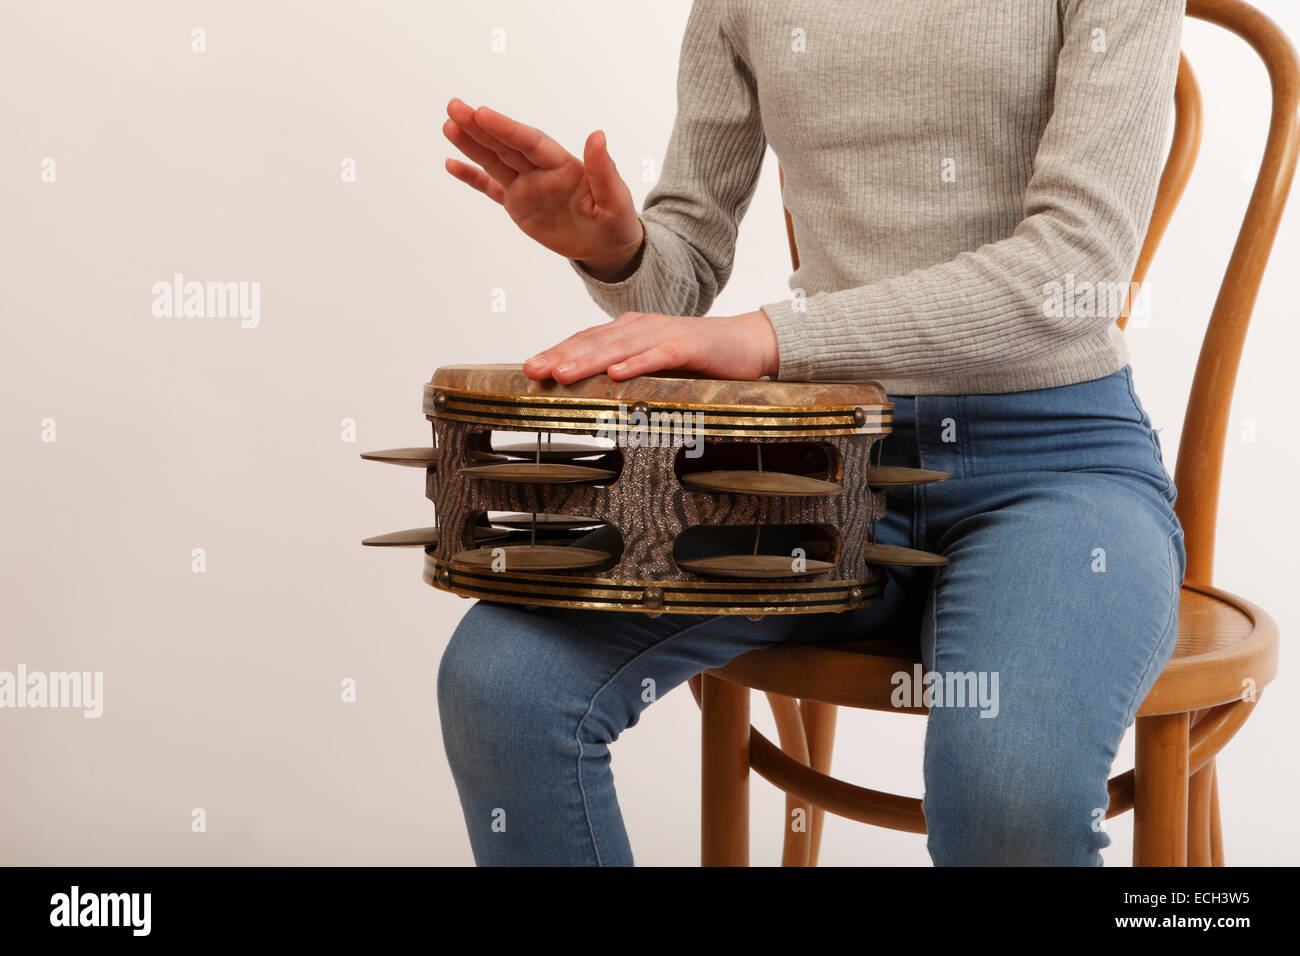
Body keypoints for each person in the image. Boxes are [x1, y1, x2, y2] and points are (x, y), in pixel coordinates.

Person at [436, 0, 1188, 865]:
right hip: (818, 468)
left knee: (1008, 796)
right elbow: (682, 278)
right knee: (502, 687)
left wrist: (773, 338)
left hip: (1055, 464)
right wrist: (616, 248)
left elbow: (1076, 272)